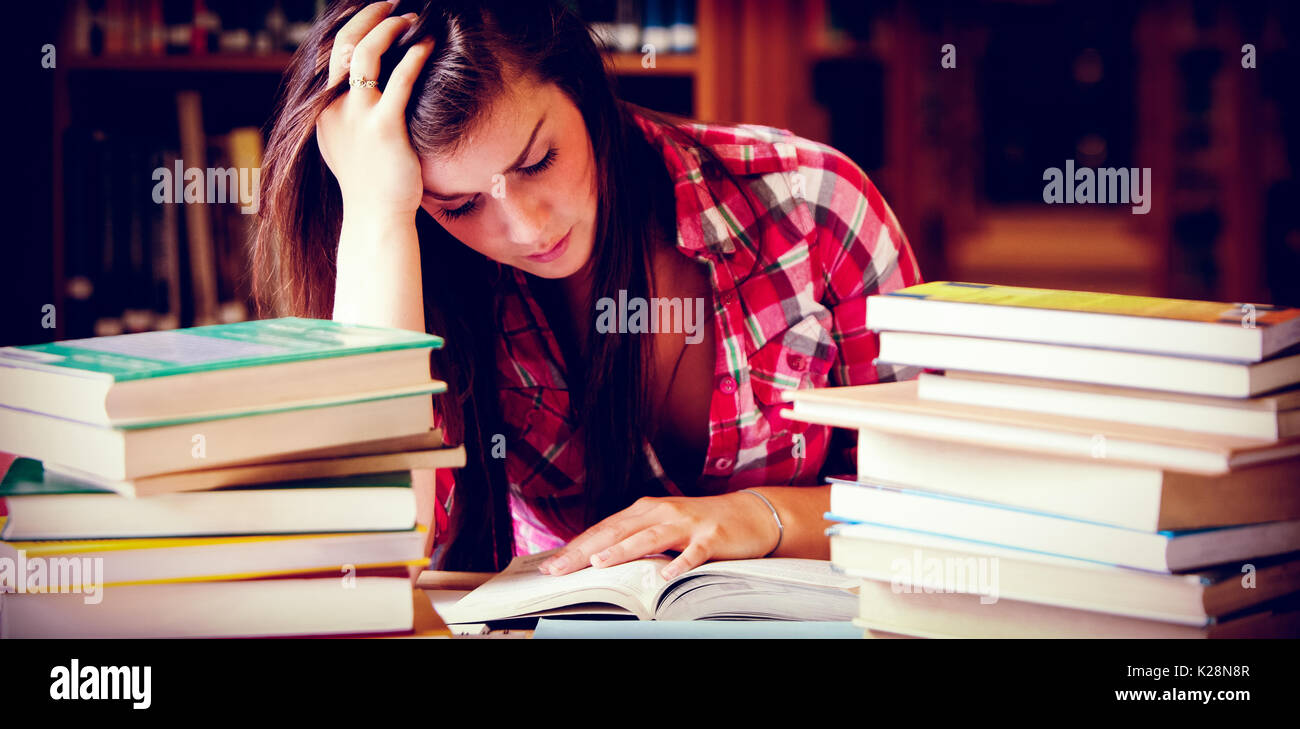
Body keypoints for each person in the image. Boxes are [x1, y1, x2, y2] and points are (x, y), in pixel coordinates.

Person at [253, 0, 923, 580]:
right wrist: (377, 215)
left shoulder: (813, 209)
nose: (527, 226)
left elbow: (942, 506)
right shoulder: (426, 271)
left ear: (580, 85)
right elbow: (375, 550)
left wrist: (763, 516)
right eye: (459, 206)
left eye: (538, 159)